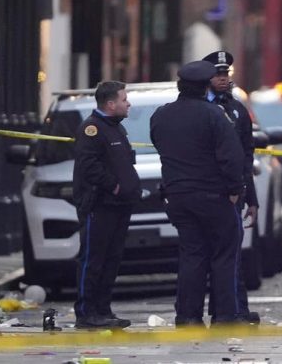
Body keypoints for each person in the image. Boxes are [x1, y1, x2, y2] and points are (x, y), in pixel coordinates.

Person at [150, 61, 245, 327]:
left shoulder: (161, 115)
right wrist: (235, 189)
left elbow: (160, 145)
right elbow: (231, 157)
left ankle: (188, 316)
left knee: (192, 255)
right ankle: (225, 316)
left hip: (178, 196)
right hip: (214, 196)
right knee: (224, 256)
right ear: (206, 87)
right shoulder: (214, 115)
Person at [72, 81, 140, 329]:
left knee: (112, 259)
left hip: (119, 205)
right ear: (110, 104)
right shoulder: (92, 128)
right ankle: (86, 312)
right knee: (93, 259)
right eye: (124, 99)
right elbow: (90, 167)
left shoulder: (116, 128)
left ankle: (103, 310)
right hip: (100, 206)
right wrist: (115, 186)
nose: (128, 103)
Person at [202, 50, 260, 324]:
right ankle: (220, 310)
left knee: (232, 254)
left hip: (232, 194)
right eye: (218, 75)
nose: (223, 79)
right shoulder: (199, 106)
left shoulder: (237, 109)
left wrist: (252, 197)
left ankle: (235, 310)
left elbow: (246, 156)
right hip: (205, 191)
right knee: (206, 256)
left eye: (226, 74)